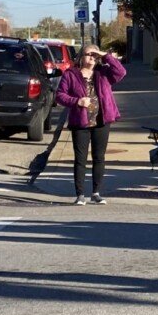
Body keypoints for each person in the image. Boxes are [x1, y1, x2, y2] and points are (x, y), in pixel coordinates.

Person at [54, 44, 127, 205]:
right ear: (80, 58)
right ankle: (80, 194)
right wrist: (77, 101)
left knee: (99, 157)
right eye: (88, 54)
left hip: (101, 121)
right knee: (80, 159)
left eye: (95, 55)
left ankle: (96, 192)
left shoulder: (103, 73)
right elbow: (60, 95)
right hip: (80, 122)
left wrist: (104, 55)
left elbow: (121, 72)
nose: (92, 58)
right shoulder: (71, 74)